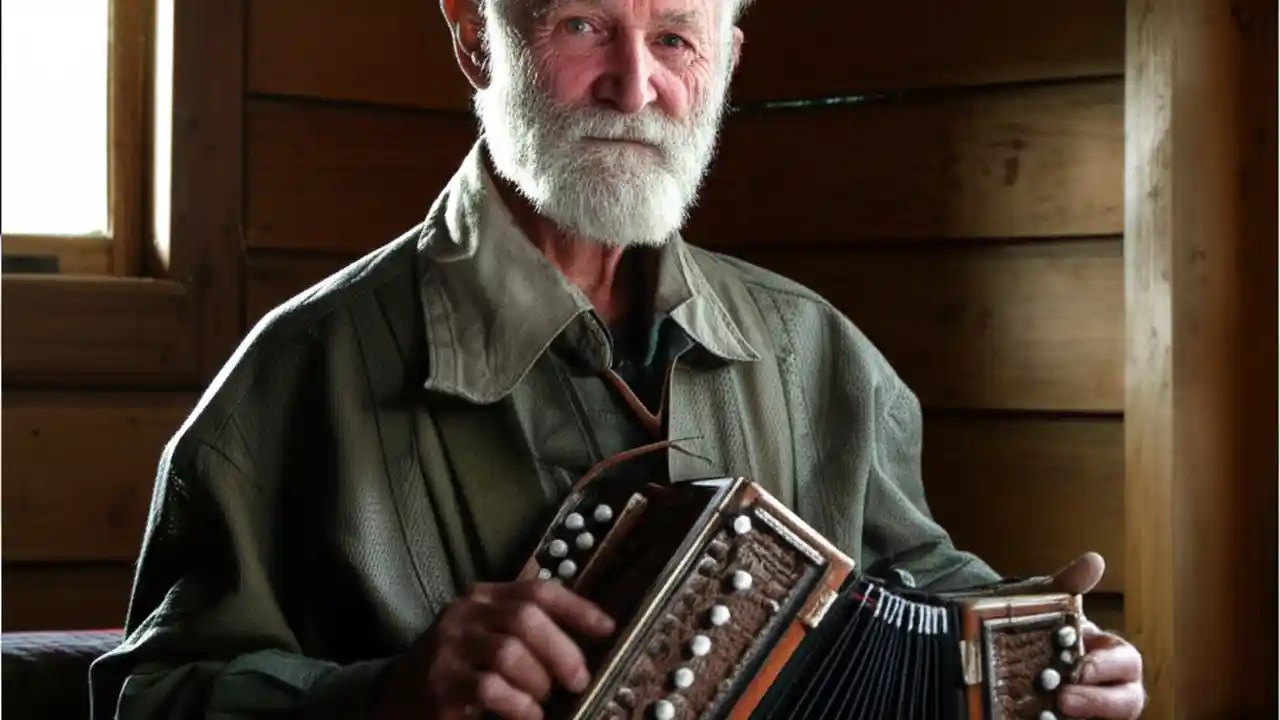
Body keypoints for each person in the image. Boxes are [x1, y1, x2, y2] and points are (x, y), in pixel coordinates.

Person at [90, 0, 1146, 718]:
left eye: (677, 39)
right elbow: (149, 697)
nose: (633, 86)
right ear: (474, 37)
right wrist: (387, 695)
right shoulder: (300, 371)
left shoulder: (815, 349)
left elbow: (923, 602)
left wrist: (1056, 659)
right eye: (583, 23)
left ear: (725, 63)